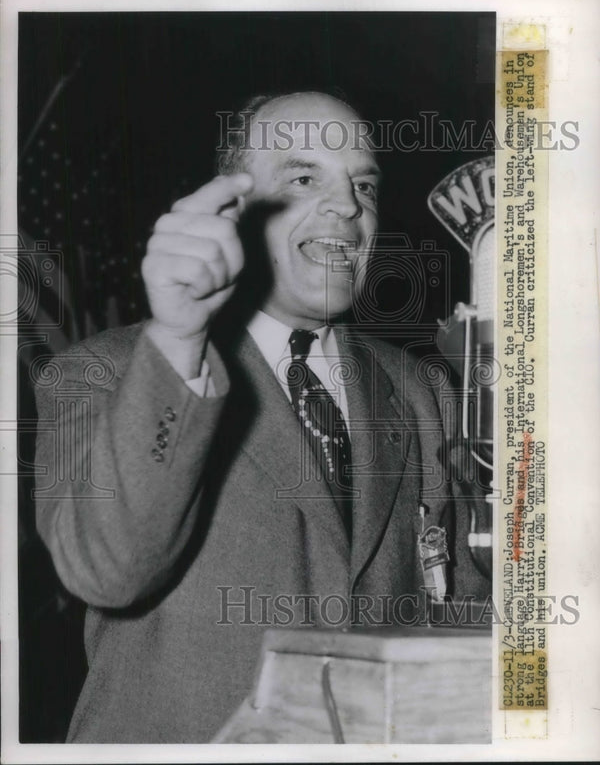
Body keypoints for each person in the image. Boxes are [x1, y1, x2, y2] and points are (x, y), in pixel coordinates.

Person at [34, 91, 488, 743]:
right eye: (305, 178)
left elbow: (470, 617)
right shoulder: (101, 372)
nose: (348, 208)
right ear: (235, 208)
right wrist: (179, 335)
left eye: (364, 184)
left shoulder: (425, 392)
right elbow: (107, 568)